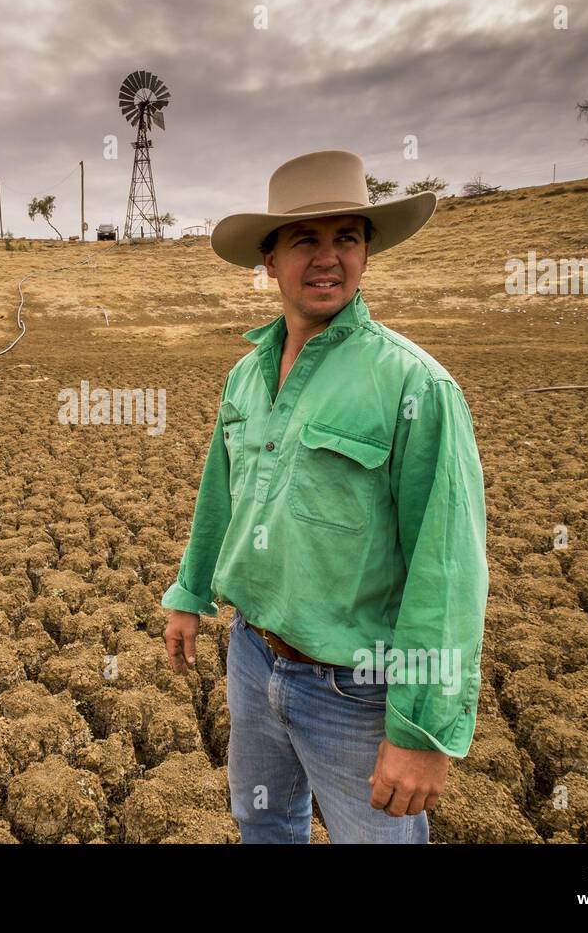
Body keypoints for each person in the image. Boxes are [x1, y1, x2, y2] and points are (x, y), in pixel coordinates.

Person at [160, 149, 488, 843]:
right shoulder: (245, 378)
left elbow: (449, 570)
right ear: (270, 262)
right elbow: (222, 500)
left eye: (348, 238)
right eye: (305, 239)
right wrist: (191, 594)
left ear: (367, 254)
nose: (328, 258)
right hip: (252, 656)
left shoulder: (416, 388)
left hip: (357, 689)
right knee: (264, 823)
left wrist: (423, 729)